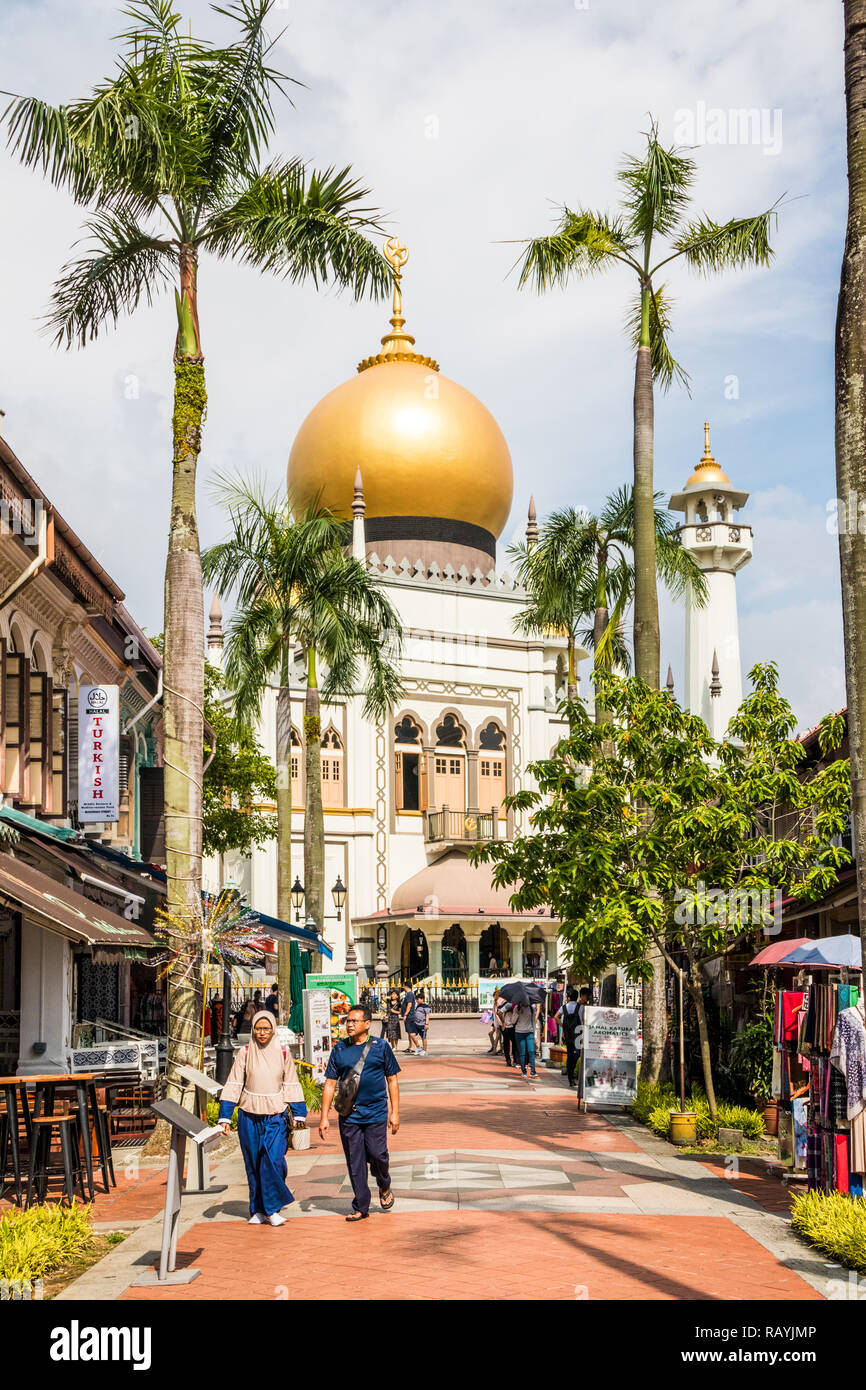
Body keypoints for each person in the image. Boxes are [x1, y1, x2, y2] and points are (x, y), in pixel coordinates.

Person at [217, 1010, 307, 1226]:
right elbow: (235, 1083)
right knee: (254, 1163)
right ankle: (258, 1209)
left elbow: (291, 1082)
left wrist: (298, 1112)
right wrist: (225, 1117)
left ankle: (273, 1208)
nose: (262, 1033)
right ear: (253, 1029)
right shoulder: (245, 1053)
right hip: (249, 1116)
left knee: (273, 1161)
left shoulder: (284, 1052)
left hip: (276, 1115)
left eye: (266, 1028)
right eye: (258, 1028)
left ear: (273, 1029)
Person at [319, 1003, 401, 1221]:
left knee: (377, 1154)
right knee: (355, 1160)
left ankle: (384, 1184)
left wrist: (395, 1113)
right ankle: (360, 1205)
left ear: (367, 1024)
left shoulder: (381, 1047)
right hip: (349, 1115)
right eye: (348, 1021)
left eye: (354, 1021)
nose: (349, 1025)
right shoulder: (339, 1049)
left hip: (376, 1112)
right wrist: (324, 1117)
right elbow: (329, 1084)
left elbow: (392, 1080)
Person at [557, 987, 582, 1087]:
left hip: (568, 1035)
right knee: (577, 1054)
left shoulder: (564, 1007)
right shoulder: (581, 1007)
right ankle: (572, 1073)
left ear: (569, 998)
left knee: (569, 1054)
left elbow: (556, 1017)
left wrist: (563, 1026)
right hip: (578, 1035)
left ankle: (570, 1077)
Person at [514, 998, 539, 1078]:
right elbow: (513, 1021)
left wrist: (535, 1035)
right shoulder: (516, 1008)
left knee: (531, 1052)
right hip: (519, 1032)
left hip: (529, 1032)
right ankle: (523, 1072)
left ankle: (533, 1071)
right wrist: (518, 1013)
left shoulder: (531, 1008)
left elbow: (534, 1022)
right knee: (522, 1053)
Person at [401, 981, 421, 1054]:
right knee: (409, 1032)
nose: (403, 988)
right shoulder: (409, 994)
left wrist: (405, 1014)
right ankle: (411, 1047)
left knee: (411, 1032)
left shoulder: (409, 994)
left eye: (403, 986)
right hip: (409, 1016)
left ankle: (415, 1047)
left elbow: (409, 1005)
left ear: (406, 986)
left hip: (409, 1016)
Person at [499, 999, 517, 1068]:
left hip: (514, 1026)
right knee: (507, 1044)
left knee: (514, 1044)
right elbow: (499, 1012)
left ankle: (515, 1060)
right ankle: (508, 1060)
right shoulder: (509, 1004)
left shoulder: (518, 1004)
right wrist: (503, 1022)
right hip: (507, 1027)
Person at [414, 989, 431, 1056]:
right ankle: (418, 1048)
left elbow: (427, 1015)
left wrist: (426, 1024)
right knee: (412, 1035)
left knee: (423, 1037)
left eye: (418, 999)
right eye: (416, 999)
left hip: (422, 1024)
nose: (417, 1001)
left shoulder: (425, 1007)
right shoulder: (418, 1006)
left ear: (422, 999)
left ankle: (424, 1050)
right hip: (416, 1024)